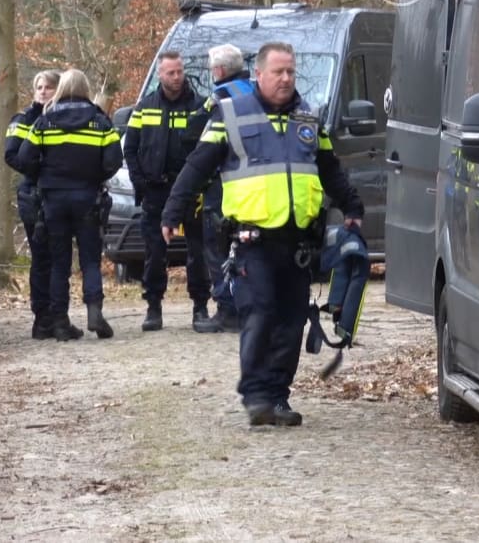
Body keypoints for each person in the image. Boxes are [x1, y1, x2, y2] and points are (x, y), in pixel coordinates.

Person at [160, 42, 364, 426]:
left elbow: (329, 168)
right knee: (260, 313)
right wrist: (172, 211)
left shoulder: (308, 118)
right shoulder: (230, 115)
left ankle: (277, 397)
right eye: (278, 72)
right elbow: (196, 167)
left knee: (290, 320)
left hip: (299, 241)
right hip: (252, 241)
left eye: (291, 72)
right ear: (259, 74)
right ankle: (255, 394)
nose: (286, 78)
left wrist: (352, 207)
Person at [15, 69, 123, 341]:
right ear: (86, 89)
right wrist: (95, 176)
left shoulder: (44, 121)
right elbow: (114, 160)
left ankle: (61, 322)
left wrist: (45, 174)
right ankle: (94, 312)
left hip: (53, 201)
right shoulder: (100, 121)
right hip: (88, 199)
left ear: (61, 88)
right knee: (89, 259)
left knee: (59, 263)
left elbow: (25, 158)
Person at [123, 51, 215, 333]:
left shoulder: (200, 106)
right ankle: (153, 307)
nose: (176, 77)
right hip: (156, 191)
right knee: (154, 253)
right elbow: (130, 148)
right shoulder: (145, 107)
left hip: (191, 190)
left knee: (198, 252)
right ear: (160, 75)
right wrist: (141, 183)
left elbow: (211, 148)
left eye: (179, 72)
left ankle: (200, 306)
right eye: (170, 73)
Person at [199, 44, 255, 332]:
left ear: (219, 71)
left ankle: (226, 309)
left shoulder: (220, 97)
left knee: (216, 247)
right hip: (254, 185)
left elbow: (198, 133)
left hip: (222, 184)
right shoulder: (256, 91)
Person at [5, 70, 63, 340]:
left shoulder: (68, 116)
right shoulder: (23, 119)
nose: (42, 91)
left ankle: (58, 314)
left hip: (61, 194)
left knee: (59, 258)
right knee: (41, 258)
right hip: (33, 194)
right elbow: (11, 154)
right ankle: (42, 318)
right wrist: (39, 168)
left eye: (49, 87)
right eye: (39, 87)